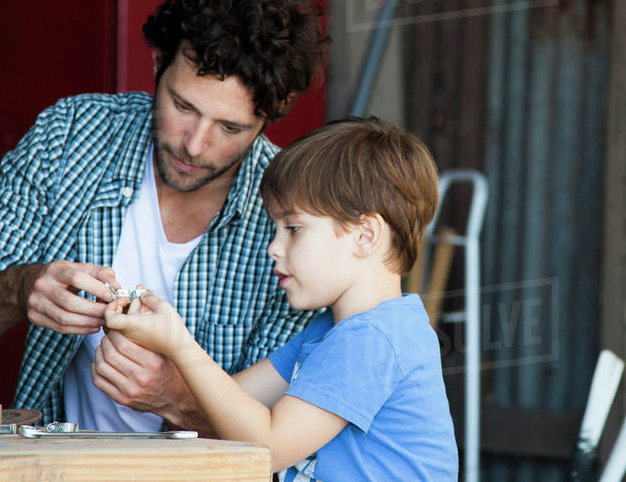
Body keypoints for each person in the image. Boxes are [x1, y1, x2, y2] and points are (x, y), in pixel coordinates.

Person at [0, 0, 331, 432]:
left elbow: (290, 440)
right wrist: (20, 289)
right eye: (181, 105)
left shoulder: (296, 216)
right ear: (156, 64)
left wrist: (174, 397)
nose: (194, 144)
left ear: (272, 116)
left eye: (230, 127)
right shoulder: (68, 137)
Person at [104, 117, 458, 481]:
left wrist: (179, 344)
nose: (274, 248)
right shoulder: (330, 332)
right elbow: (228, 408)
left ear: (365, 235)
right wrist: (159, 341)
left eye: (293, 228)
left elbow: (266, 447)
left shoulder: (374, 338)